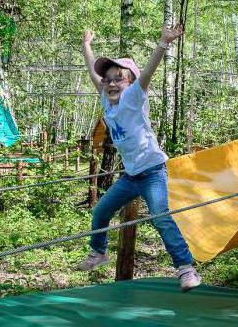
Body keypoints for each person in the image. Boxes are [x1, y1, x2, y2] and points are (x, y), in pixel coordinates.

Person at [76, 25, 201, 292]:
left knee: (160, 216)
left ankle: (186, 269)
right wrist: (86, 45)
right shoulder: (106, 98)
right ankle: (99, 252)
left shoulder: (133, 96)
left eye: (118, 78)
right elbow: (92, 74)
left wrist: (163, 43)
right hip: (131, 175)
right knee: (101, 211)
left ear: (129, 82)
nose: (111, 83)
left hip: (153, 171)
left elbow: (147, 73)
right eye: (107, 79)